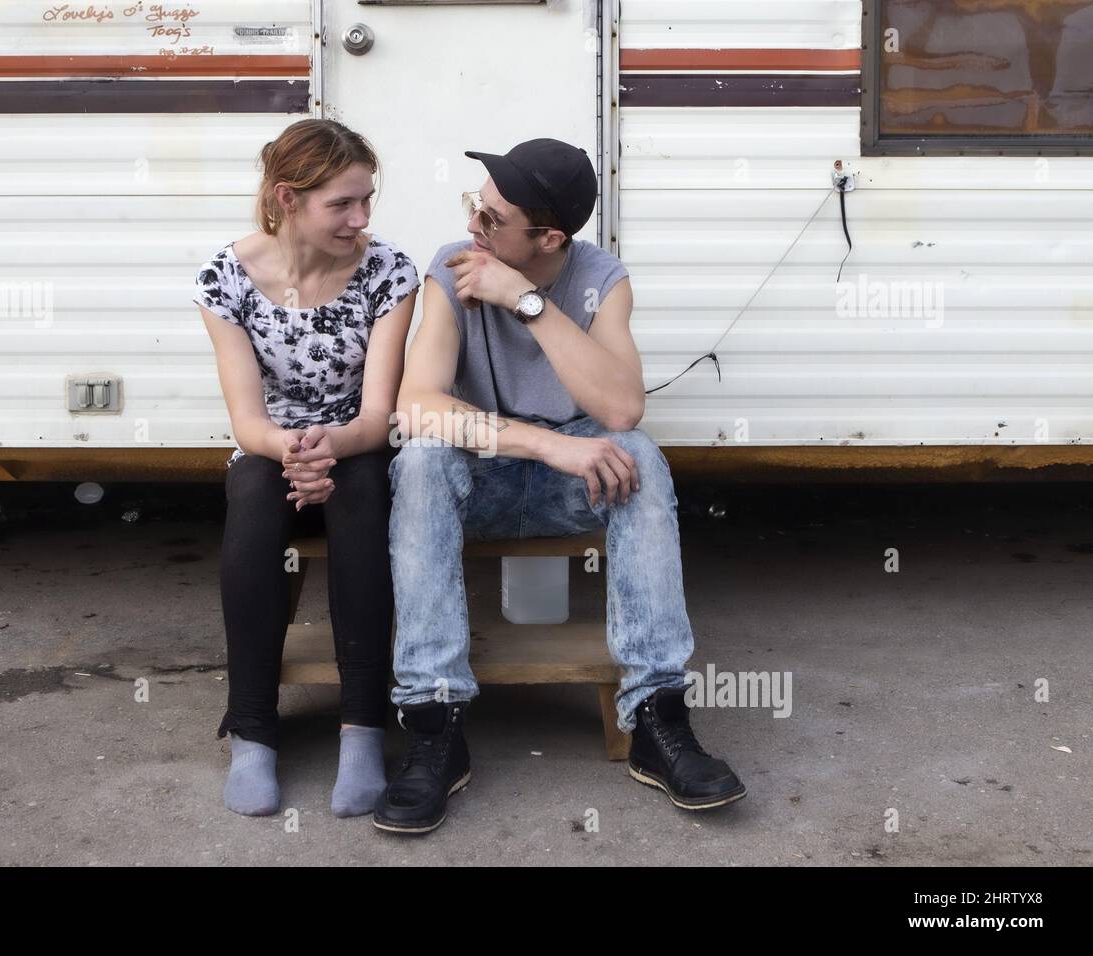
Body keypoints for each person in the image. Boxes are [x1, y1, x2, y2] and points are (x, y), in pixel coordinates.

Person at [373, 138, 745, 834]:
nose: (473, 230)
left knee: (639, 454)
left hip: (570, 485)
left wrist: (529, 303)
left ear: (549, 237)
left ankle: (658, 722)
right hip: (481, 477)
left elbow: (621, 410)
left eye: (492, 221)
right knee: (420, 459)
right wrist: (543, 441)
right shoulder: (450, 271)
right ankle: (434, 723)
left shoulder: (602, 279)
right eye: (474, 210)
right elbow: (417, 405)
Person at [192, 119, 419, 817]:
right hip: (273, 451)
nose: (361, 219)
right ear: (288, 199)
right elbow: (246, 419)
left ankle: (362, 728)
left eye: (366, 201)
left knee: (362, 502)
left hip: (357, 445)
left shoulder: (389, 273)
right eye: (342, 204)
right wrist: (292, 452)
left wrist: (333, 447)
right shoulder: (225, 277)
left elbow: (380, 413)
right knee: (254, 502)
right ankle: (254, 731)